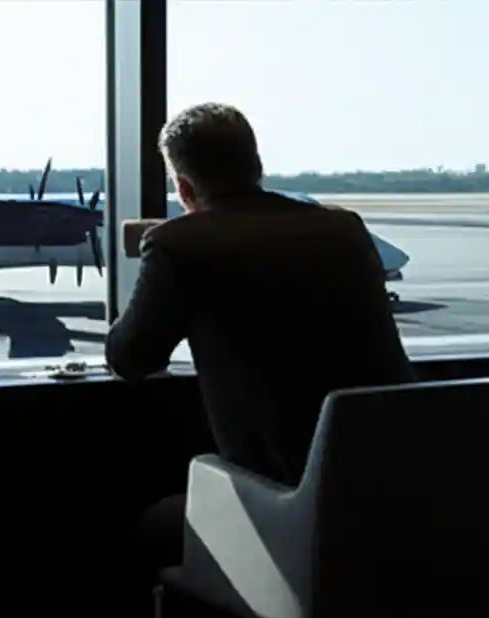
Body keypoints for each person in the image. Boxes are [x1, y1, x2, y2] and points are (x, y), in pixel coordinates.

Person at [105, 102, 417, 576]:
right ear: (257, 166)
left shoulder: (179, 244)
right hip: (391, 495)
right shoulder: (343, 228)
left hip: (288, 504)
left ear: (184, 187)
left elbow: (130, 358)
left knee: (151, 530)